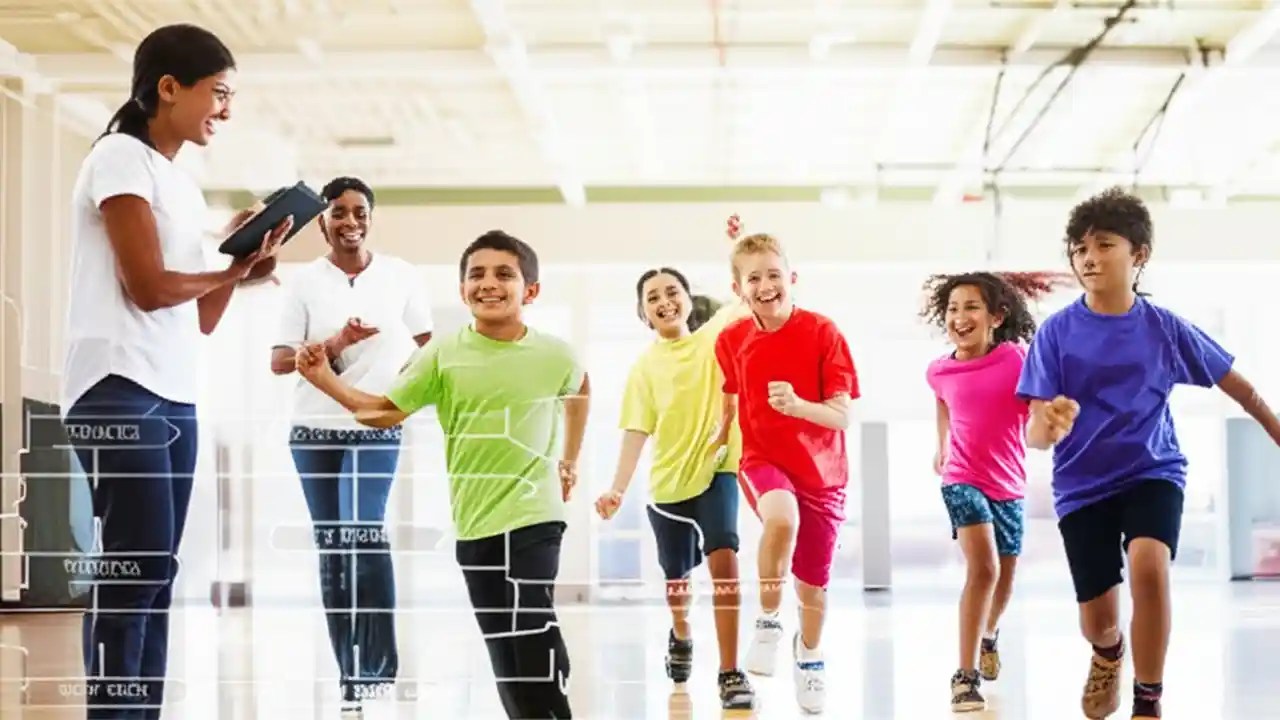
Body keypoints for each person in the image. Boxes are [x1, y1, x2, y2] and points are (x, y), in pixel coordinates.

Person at [60, 23, 290, 719]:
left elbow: (200, 315)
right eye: (218, 93)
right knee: (132, 570)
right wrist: (227, 266)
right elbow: (149, 288)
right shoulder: (118, 158)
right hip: (115, 387)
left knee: (158, 573)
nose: (226, 109)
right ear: (169, 88)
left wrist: (240, 263)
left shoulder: (183, 188)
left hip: (174, 393)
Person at [294, 230, 588, 720]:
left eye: (504, 274)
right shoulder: (441, 354)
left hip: (536, 514)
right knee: (504, 649)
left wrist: (569, 459)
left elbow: (580, 390)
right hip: (475, 525)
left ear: (530, 291)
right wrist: (325, 379)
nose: (488, 283)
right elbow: (384, 412)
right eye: (476, 274)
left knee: (530, 625)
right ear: (461, 290)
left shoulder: (555, 354)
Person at [1016, 187, 1280, 720]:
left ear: (1138, 255)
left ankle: (1148, 698)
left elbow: (1241, 389)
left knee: (1149, 566)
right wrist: (1047, 424)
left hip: (1151, 470)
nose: (1088, 258)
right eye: (1079, 249)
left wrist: (1275, 430)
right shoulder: (1056, 333)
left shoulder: (1164, 328)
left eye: (1104, 245)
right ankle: (1108, 653)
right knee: (1098, 619)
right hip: (1081, 484)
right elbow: (1036, 435)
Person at [268, 176, 432, 712]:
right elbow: (279, 360)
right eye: (338, 212)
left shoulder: (401, 275)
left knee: (363, 532)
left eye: (359, 211)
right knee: (334, 548)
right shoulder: (304, 282)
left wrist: (403, 391)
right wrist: (335, 343)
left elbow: (426, 349)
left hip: (375, 425)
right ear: (323, 222)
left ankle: (378, 665)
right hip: (313, 430)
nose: (349, 221)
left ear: (371, 216)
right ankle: (350, 675)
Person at [595, 256, 755, 710]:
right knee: (677, 584)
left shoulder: (713, 340)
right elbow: (635, 433)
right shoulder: (643, 369)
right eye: (653, 298)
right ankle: (681, 633)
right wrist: (617, 489)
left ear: (688, 300)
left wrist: (734, 243)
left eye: (672, 292)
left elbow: (747, 292)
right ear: (643, 314)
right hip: (667, 490)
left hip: (716, 471)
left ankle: (729, 671)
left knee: (725, 564)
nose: (665, 302)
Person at [712, 232, 856, 714]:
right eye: (754, 278)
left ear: (791, 279)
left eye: (774, 274)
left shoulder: (823, 332)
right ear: (738, 288)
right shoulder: (731, 340)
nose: (766, 285)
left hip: (824, 475)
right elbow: (732, 393)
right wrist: (721, 430)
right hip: (762, 460)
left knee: (813, 587)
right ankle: (770, 622)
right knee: (781, 519)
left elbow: (840, 416)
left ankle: (809, 655)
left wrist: (798, 405)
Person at [920, 270, 1067, 712]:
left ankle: (989, 633)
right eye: (952, 309)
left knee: (1003, 578)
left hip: (1008, 483)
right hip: (962, 479)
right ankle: (964, 676)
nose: (959, 317)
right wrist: (941, 447)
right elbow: (945, 406)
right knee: (982, 570)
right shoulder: (938, 371)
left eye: (971, 308)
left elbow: (1038, 409)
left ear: (996, 317)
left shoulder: (1017, 360)